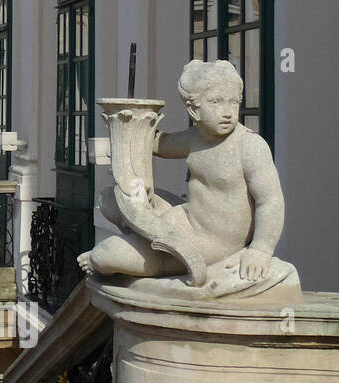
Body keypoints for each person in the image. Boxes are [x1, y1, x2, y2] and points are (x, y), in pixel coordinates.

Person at [79, 60, 285, 292]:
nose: (227, 112)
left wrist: (261, 249)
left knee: (104, 256)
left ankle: (136, 249)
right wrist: (131, 121)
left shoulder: (250, 146)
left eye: (233, 102)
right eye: (216, 102)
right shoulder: (195, 138)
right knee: (109, 200)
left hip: (206, 244)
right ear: (193, 109)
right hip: (182, 218)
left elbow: (271, 200)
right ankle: (139, 242)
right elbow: (161, 144)